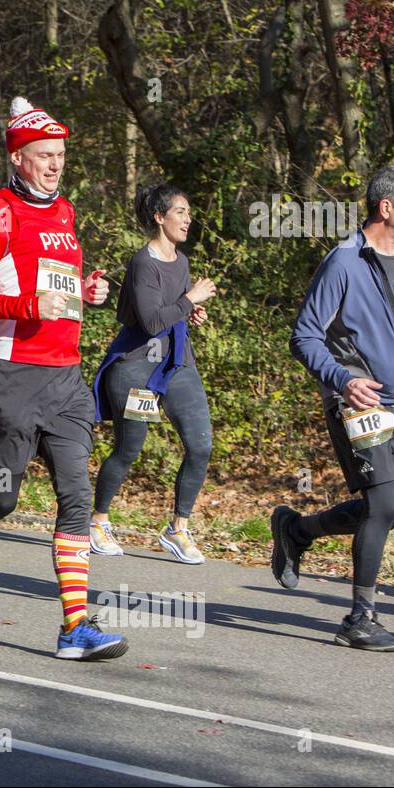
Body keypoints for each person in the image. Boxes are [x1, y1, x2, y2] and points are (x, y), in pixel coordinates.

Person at [0, 96, 128, 662]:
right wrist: (28, 305)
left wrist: (88, 288)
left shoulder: (66, 212)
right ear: (19, 158)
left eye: (61, 155)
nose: (55, 165)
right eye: (45, 155)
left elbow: (60, 285)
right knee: (2, 500)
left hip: (65, 378)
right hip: (10, 374)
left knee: (77, 497)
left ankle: (75, 628)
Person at [272, 165, 394, 651]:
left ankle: (297, 529)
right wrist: (344, 379)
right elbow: (304, 335)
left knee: (389, 509)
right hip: (355, 401)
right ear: (386, 208)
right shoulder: (345, 262)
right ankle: (360, 617)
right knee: (380, 505)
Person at [90, 183, 218, 564]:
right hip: (136, 368)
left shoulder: (181, 261)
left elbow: (170, 311)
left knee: (201, 444)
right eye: (180, 212)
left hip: (176, 362)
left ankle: (178, 528)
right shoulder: (142, 263)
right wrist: (189, 300)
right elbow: (149, 321)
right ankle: (97, 520)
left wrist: (190, 312)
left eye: (189, 213)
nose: (188, 219)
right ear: (160, 217)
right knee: (130, 448)